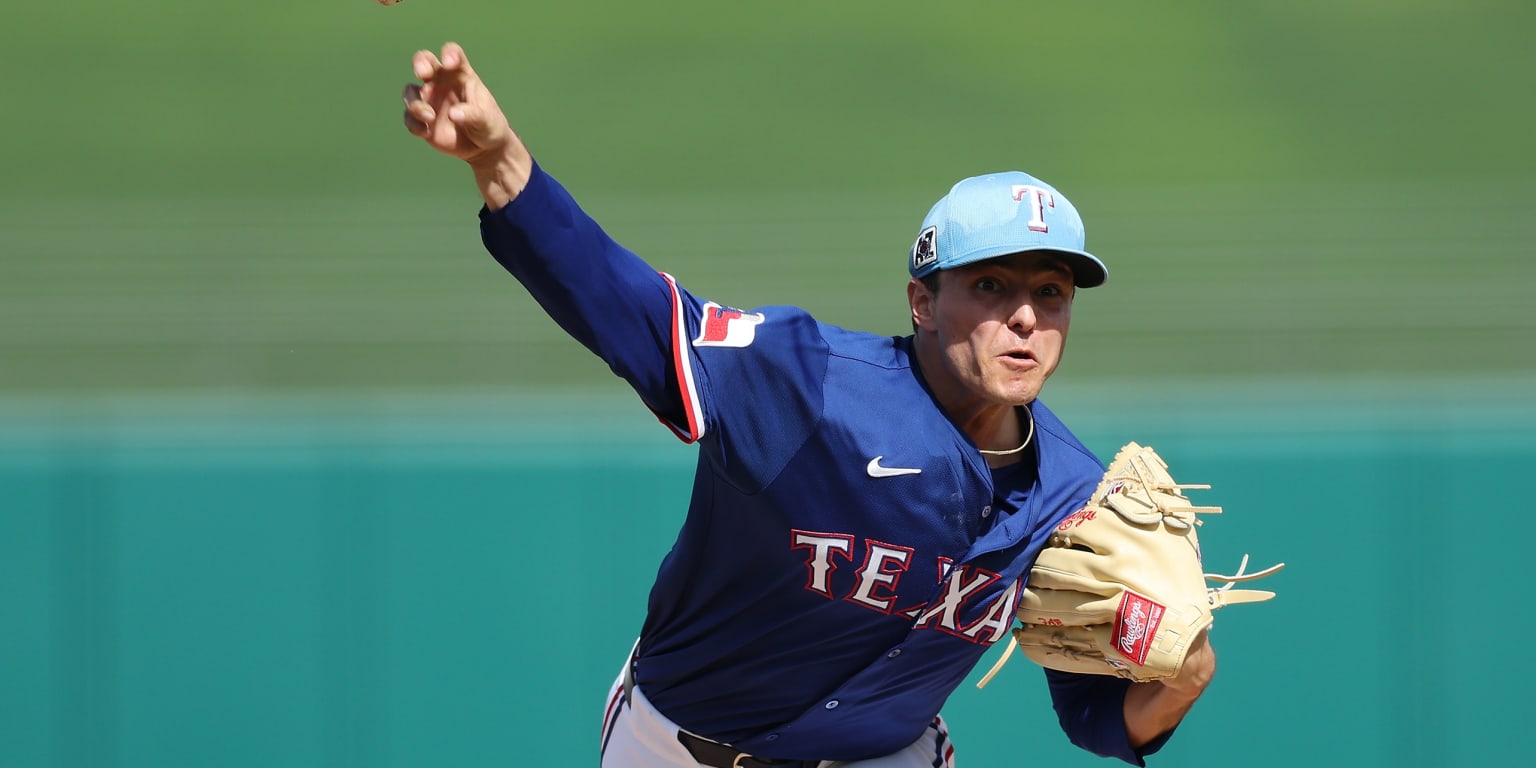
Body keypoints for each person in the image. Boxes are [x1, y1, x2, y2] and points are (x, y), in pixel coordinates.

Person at [400, 42, 1216, 768]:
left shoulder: (1072, 496)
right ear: (923, 303)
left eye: (1052, 292)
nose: (1026, 316)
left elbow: (1097, 717)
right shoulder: (808, 382)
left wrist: (1182, 679)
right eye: (991, 286)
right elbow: (630, 309)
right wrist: (502, 165)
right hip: (679, 747)